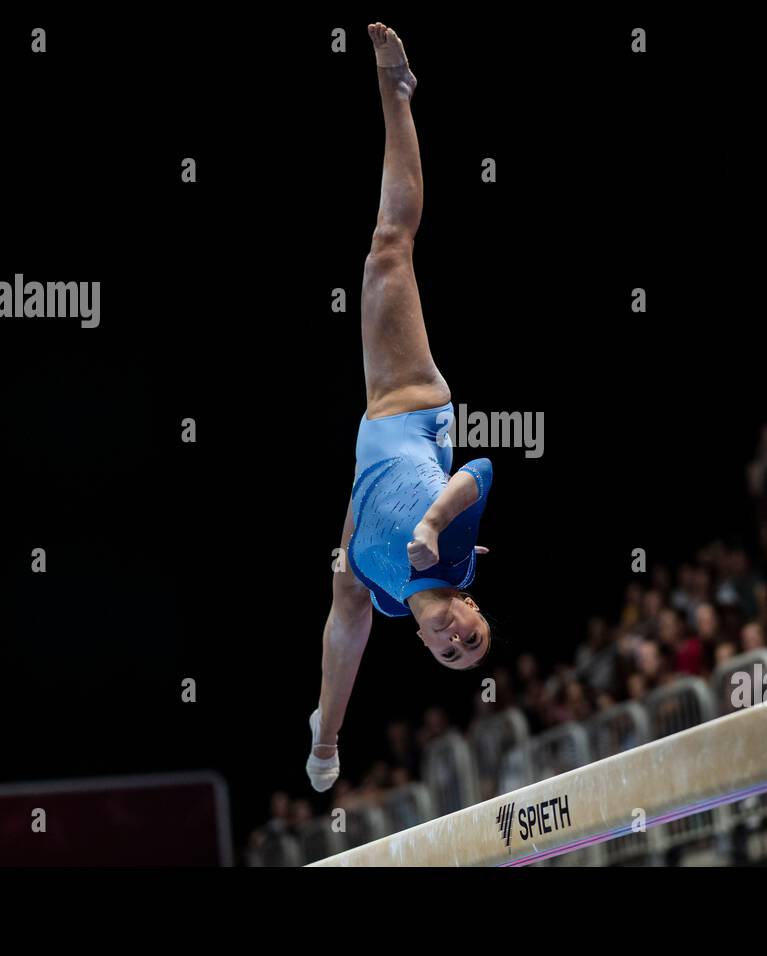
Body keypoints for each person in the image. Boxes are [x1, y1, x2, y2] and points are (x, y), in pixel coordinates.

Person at [306, 24, 494, 793]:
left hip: (363, 476)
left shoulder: (390, 600)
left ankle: (325, 733)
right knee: (389, 246)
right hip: (409, 404)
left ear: (426, 650)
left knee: (349, 593)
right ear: (471, 605)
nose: (454, 638)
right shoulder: (449, 557)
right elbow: (480, 469)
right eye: (471, 634)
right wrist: (427, 525)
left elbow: (352, 618)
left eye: (450, 652)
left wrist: (327, 744)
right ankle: (398, 93)